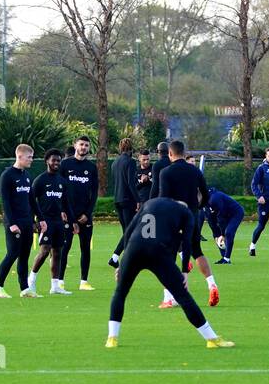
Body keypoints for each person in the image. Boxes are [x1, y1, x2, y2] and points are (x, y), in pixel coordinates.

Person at [105, 197, 234, 350]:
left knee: (120, 293)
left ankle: (112, 338)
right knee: (183, 296)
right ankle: (211, 338)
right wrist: (185, 270)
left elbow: (128, 231)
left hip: (134, 249)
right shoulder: (186, 212)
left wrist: (123, 262)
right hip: (157, 251)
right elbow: (186, 244)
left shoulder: (151, 203)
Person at [154, 140, 218, 308]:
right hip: (192, 216)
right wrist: (198, 207)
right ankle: (212, 284)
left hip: (173, 219)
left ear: (170, 153)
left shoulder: (165, 172)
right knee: (197, 251)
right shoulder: (195, 171)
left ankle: (169, 298)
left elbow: (163, 198)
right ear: (184, 153)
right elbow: (205, 194)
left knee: (167, 256)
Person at [0, 144, 40, 298]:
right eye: (29, 157)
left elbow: (32, 200)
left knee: (24, 256)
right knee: (12, 254)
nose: (31, 160)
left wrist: (40, 219)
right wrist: (12, 223)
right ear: (19, 156)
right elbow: (5, 202)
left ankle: (24, 289)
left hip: (27, 222)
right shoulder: (7, 175)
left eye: (32, 157)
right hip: (14, 223)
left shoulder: (27, 176)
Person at [29, 149, 73, 295]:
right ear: (47, 161)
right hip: (45, 221)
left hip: (58, 222)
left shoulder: (62, 181)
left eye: (58, 160)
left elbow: (66, 204)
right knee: (44, 251)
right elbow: (31, 202)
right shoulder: (40, 180)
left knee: (57, 253)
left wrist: (73, 221)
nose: (56, 163)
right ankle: (31, 280)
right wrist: (34, 221)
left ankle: (54, 286)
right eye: (53, 160)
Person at [59, 136, 98, 290]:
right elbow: (59, 188)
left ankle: (84, 281)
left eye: (86, 145)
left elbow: (94, 193)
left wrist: (87, 213)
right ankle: (59, 281)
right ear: (75, 145)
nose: (83, 147)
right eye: (81, 144)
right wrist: (62, 209)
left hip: (84, 215)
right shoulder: (65, 164)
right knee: (65, 247)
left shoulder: (91, 167)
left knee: (85, 248)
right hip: (68, 214)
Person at [108, 138, 137, 267]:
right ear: (131, 148)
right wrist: (138, 200)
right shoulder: (130, 162)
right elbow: (131, 183)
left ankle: (120, 258)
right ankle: (117, 257)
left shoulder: (114, 163)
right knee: (129, 230)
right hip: (127, 200)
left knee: (126, 230)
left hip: (117, 199)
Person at [204, 187, 245, 263]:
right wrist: (216, 235)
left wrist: (222, 234)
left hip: (236, 213)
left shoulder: (215, 198)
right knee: (216, 234)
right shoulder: (204, 203)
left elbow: (221, 217)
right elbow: (211, 220)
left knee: (228, 233)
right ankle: (224, 258)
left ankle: (226, 259)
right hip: (224, 215)